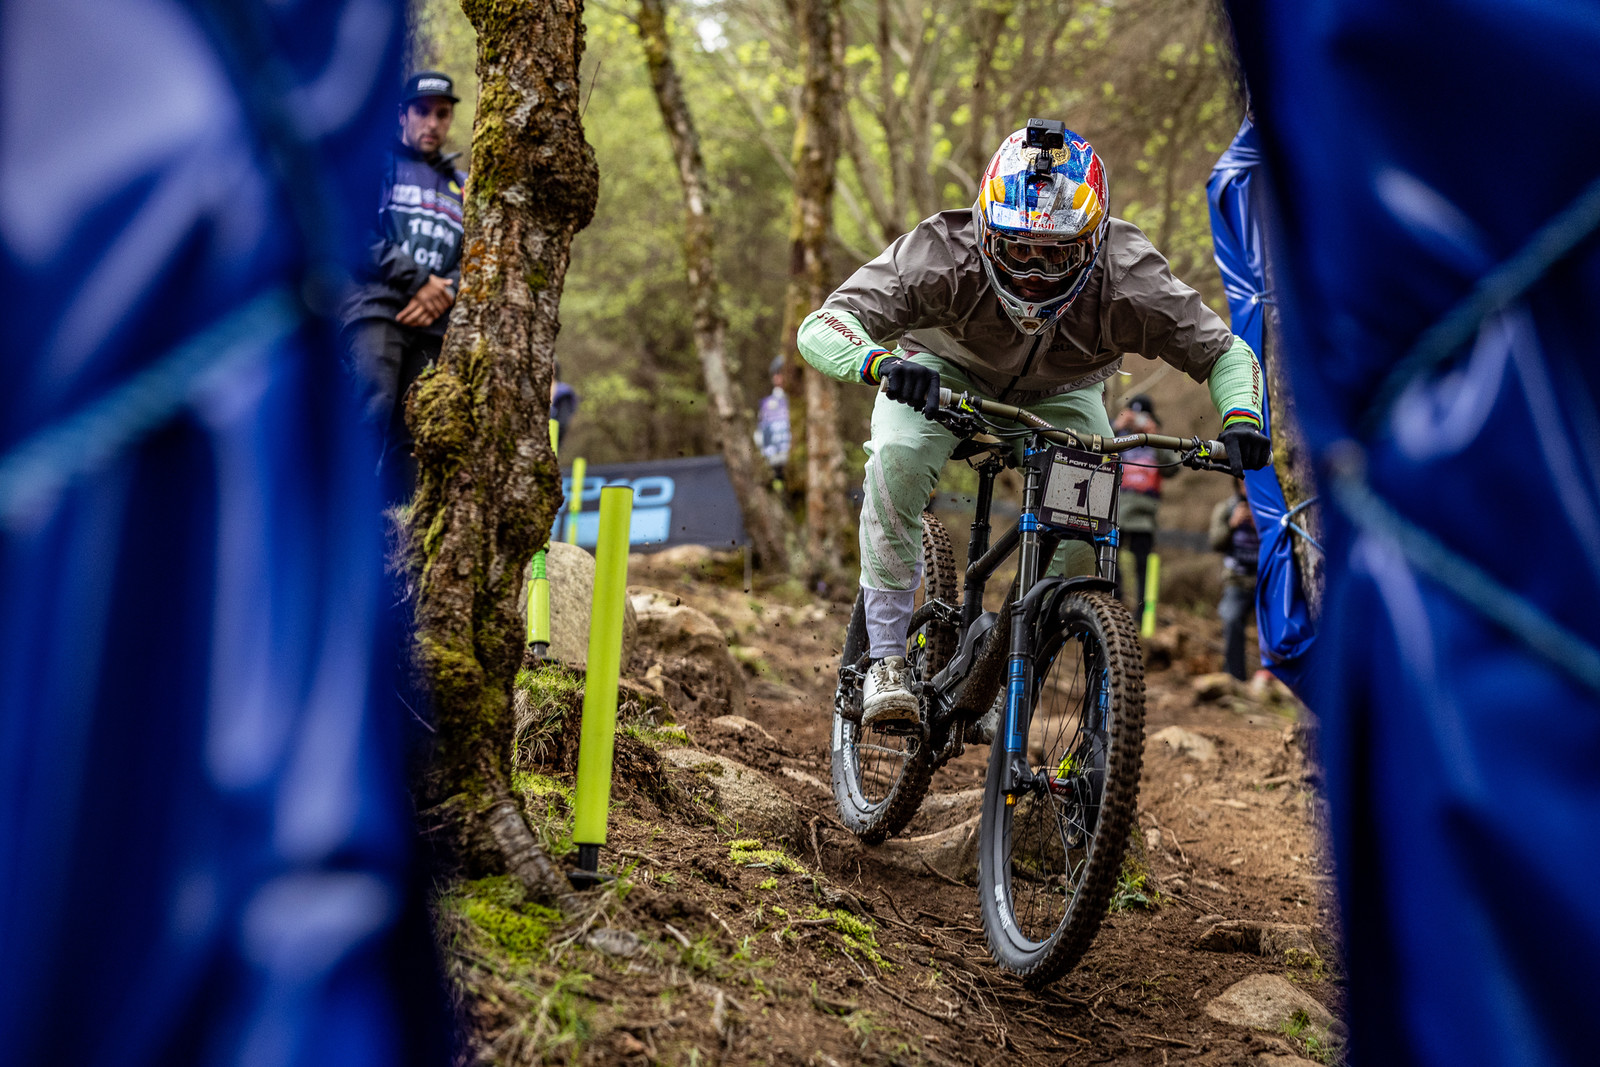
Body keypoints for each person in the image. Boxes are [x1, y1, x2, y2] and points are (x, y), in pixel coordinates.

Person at [796, 121, 1271, 727]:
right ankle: (885, 660)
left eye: (1055, 253)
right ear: (989, 230)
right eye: (1018, 248)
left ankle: (1013, 670)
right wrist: (879, 362)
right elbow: (827, 320)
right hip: (939, 372)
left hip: (1063, 394)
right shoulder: (944, 250)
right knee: (899, 457)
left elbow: (1225, 352)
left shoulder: (1129, 275)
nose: (1033, 271)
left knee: (1082, 542)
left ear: (1093, 244)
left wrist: (1240, 418)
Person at [343, 70, 467, 492]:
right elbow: (352, 233)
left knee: (419, 429)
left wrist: (445, 288)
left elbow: (480, 254)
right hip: (376, 308)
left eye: (442, 114)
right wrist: (419, 281)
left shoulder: (461, 184)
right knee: (369, 405)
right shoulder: (378, 164)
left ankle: (399, 529)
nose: (432, 123)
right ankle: (347, 515)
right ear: (402, 114)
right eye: (422, 112)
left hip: (434, 324)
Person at [1112, 394, 1179, 610]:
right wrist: (1114, 426)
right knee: (1110, 559)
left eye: (1143, 417)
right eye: (1135, 416)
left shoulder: (1158, 441)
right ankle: (1116, 604)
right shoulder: (1118, 438)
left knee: (1143, 565)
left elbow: (1173, 468)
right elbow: (1095, 451)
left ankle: (1143, 616)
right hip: (1117, 513)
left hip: (1145, 517)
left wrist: (1155, 437)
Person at [1209, 477, 1259, 681]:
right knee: (1230, 618)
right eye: (1242, 481)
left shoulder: (1270, 508)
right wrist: (1232, 524)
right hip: (1236, 580)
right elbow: (1215, 542)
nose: (1246, 486)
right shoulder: (1225, 508)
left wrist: (1261, 524)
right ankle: (1235, 678)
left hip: (1267, 580)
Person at [755, 355, 792, 489]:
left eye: (781, 373)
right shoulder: (767, 404)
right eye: (775, 373)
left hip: (795, 461)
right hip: (774, 464)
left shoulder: (798, 401)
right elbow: (760, 433)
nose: (778, 377)